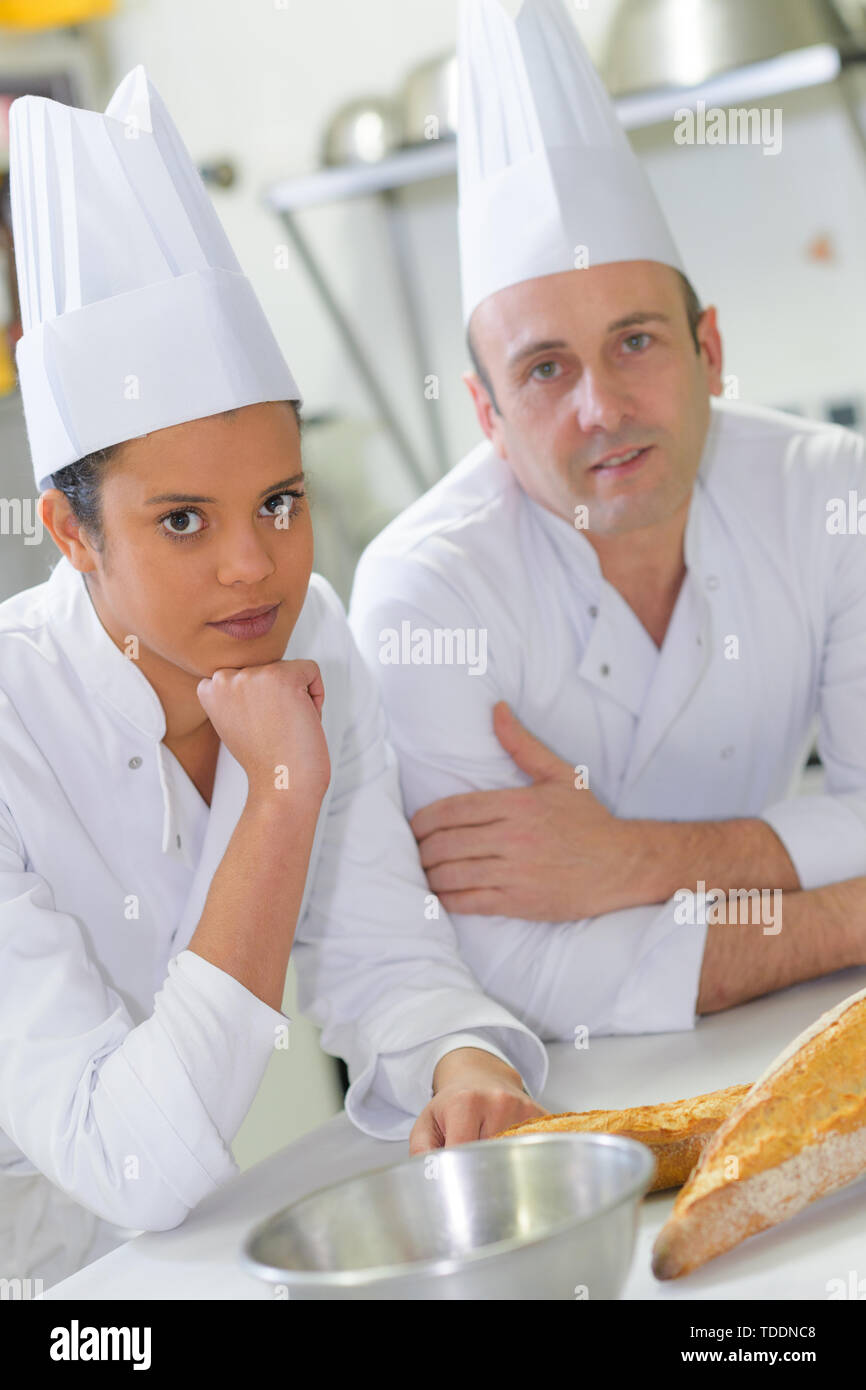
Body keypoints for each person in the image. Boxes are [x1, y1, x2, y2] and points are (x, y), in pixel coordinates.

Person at [0, 64, 549, 1291]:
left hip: (168, 1256)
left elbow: (382, 958)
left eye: (280, 501)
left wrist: (463, 1060)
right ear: (72, 532)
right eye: (183, 521)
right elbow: (127, 1156)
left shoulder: (317, 639)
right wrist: (282, 794)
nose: (256, 569)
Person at [348, 0, 866, 1042]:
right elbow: (521, 965)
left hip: (803, 1034)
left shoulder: (827, 490)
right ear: (486, 413)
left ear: (708, 348)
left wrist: (636, 861)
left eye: (635, 342)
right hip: (549, 1100)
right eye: (544, 369)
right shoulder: (426, 590)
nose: (601, 407)